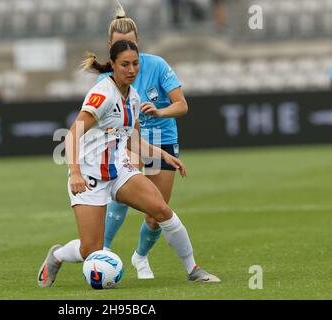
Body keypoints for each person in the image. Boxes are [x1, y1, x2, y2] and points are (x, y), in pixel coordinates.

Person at [37, 40, 220, 288]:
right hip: (90, 176)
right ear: (112, 65)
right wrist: (75, 172)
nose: (131, 69)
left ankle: (193, 270)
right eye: (125, 64)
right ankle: (57, 256)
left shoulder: (133, 97)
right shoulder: (102, 94)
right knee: (90, 249)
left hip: (119, 170)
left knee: (162, 210)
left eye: (135, 64)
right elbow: (72, 134)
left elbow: (132, 139)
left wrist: (164, 155)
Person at [101, 3, 197, 280]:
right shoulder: (108, 75)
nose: (124, 51)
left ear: (137, 42)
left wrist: (160, 111)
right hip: (130, 140)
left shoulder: (156, 65)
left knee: (156, 213)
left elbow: (182, 105)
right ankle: (102, 253)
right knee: (121, 195)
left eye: (129, 44)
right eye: (118, 46)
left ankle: (140, 257)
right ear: (110, 46)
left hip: (162, 137)